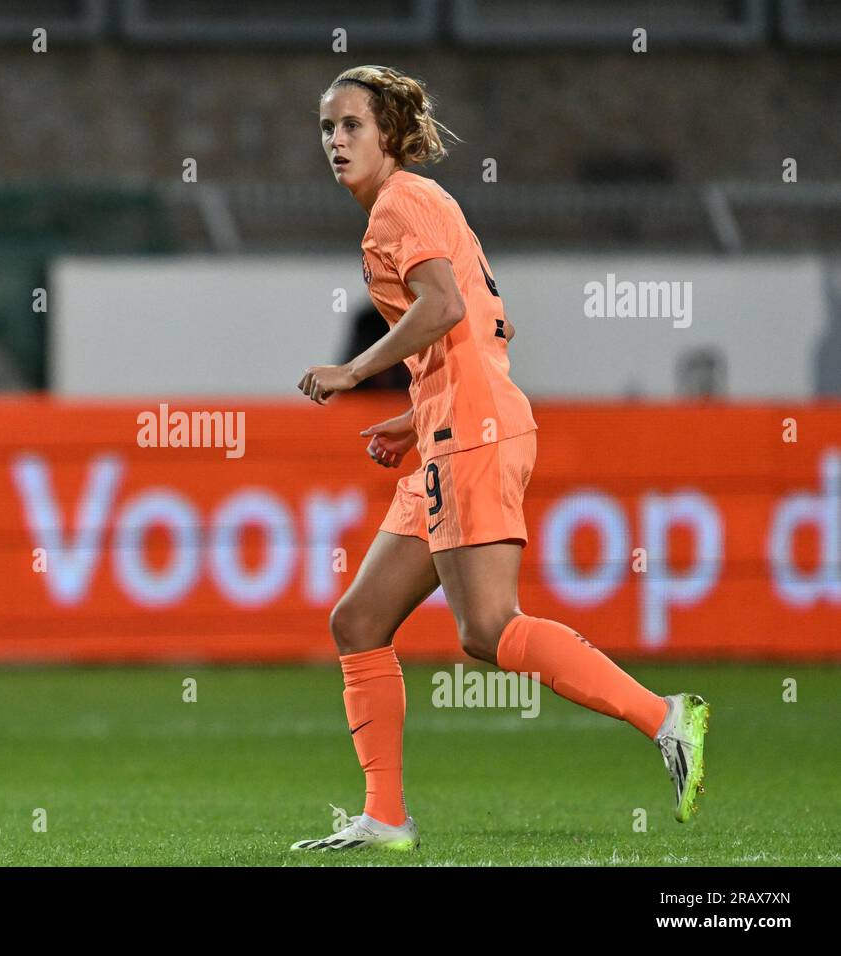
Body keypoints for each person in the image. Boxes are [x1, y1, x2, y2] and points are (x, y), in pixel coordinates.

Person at [290, 65, 709, 852]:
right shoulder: (424, 202)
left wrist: (352, 372)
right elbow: (485, 331)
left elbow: (443, 307)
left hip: (474, 433)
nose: (336, 141)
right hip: (457, 426)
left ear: (389, 134)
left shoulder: (397, 207)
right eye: (326, 128)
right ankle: (385, 817)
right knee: (359, 619)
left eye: (351, 125)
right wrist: (415, 420)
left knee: (486, 628)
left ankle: (666, 717)